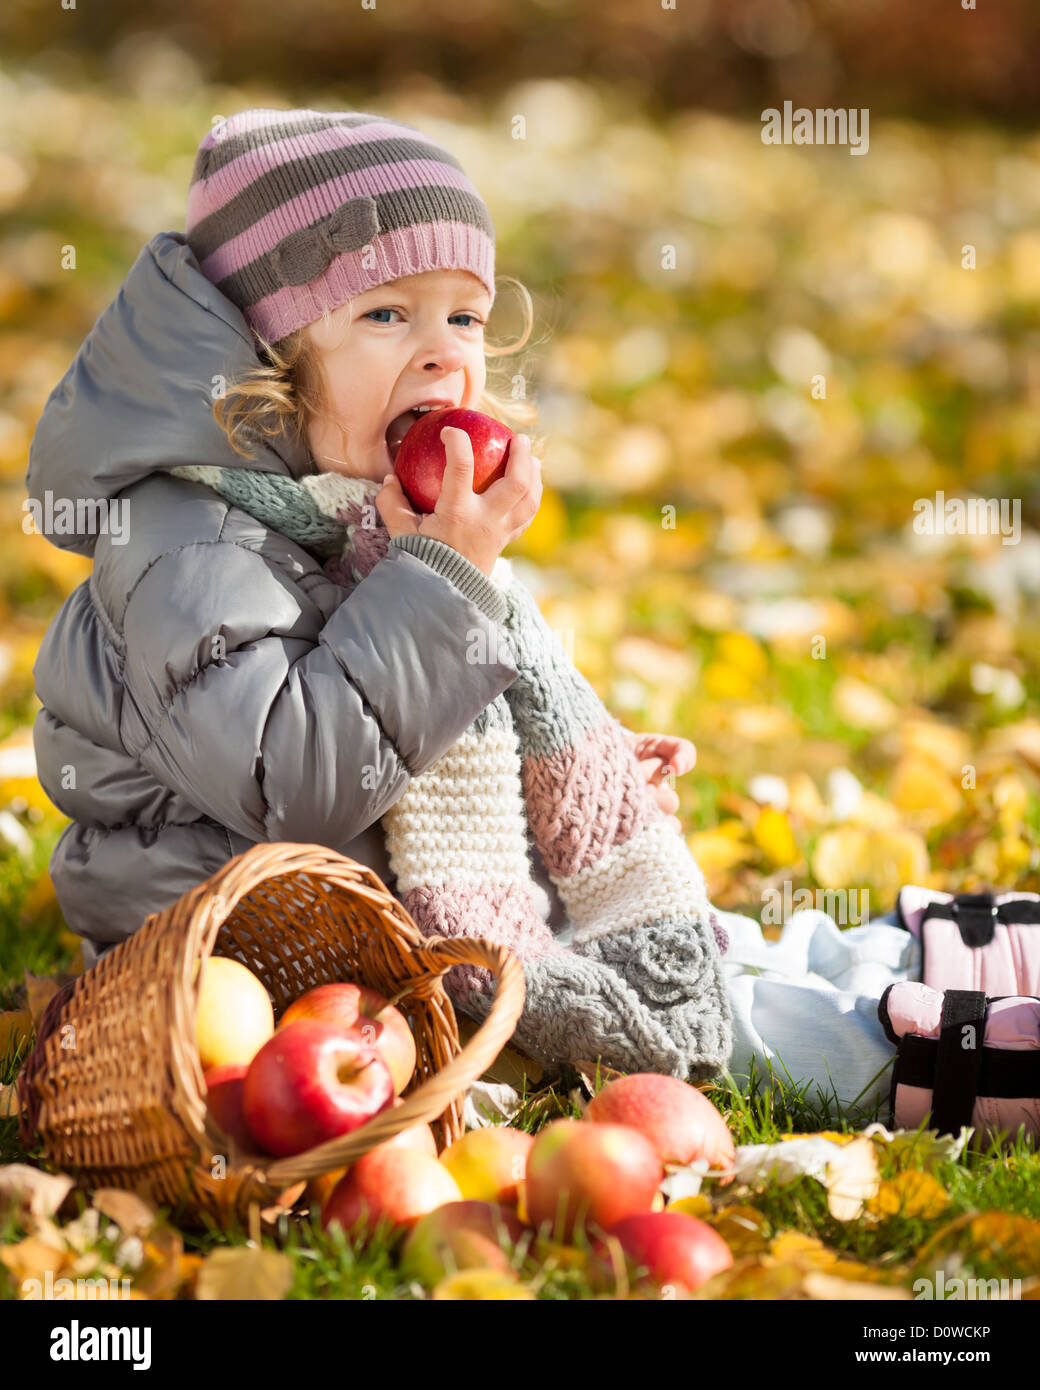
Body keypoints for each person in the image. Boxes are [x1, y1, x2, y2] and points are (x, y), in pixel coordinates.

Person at [24, 107, 911, 1115]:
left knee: (709, 939)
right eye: (385, 316)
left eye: (465, 317)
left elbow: (414, 720)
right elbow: (299, 780)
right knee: (700, 1028)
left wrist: (574, 778)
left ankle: (906, 948)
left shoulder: (347, 505)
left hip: (380, 912)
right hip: (267, 965)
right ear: (265, 354)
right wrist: (440, 574)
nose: (444, 354)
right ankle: (908, 1049)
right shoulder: (186, 545)